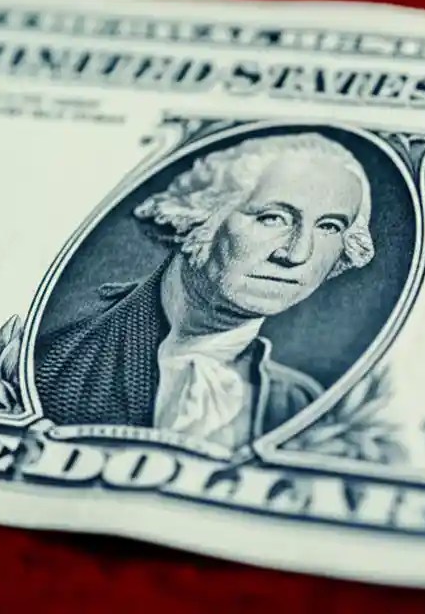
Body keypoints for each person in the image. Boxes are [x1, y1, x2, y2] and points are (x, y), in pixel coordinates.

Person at [34, 132, 375, 451]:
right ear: (198, 217)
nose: (297, 254)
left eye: (329, 226)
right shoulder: (54, 370)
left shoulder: (297, 402)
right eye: (273, 218)